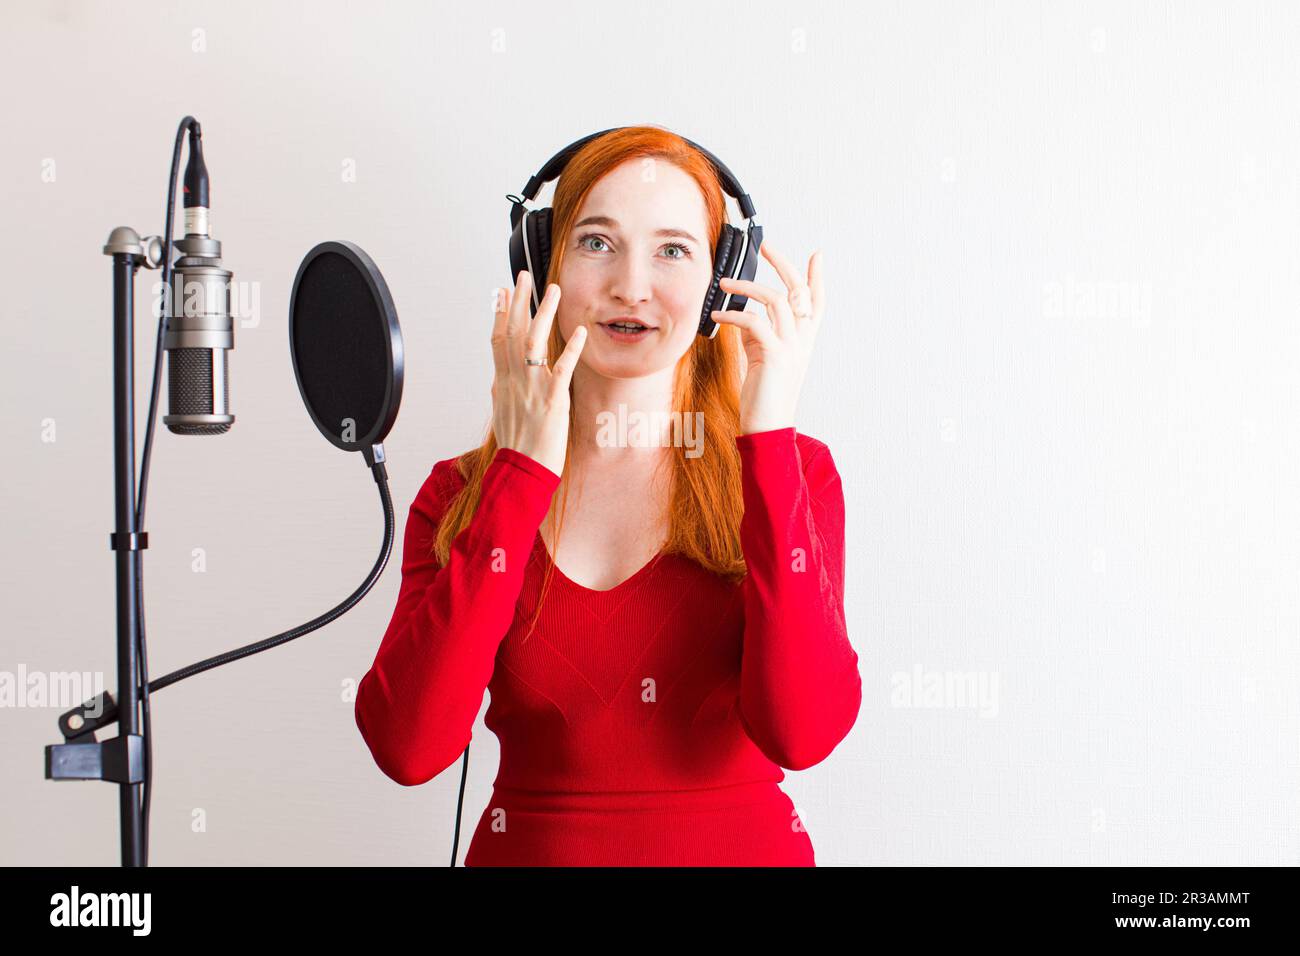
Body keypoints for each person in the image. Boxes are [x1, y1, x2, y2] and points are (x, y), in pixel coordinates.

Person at [354, 126, 861, 865]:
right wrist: (519, 477)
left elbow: (803, 733)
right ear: (540, 261)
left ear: (723, 275)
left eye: (674, 250)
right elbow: (410, 748)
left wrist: (768, 442)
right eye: (596, 242)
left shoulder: (795, 472)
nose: (632, 285)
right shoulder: (463, 493)